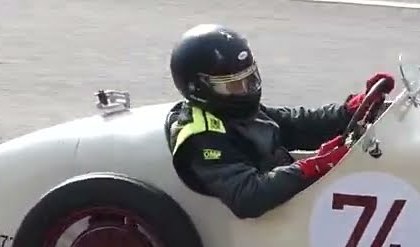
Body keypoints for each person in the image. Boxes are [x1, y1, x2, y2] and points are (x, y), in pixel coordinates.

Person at [165, 23, 394, 219]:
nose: (246, 90)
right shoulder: (201, 137)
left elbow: (296, 123)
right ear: (199, 88)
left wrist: (349, 110)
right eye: (234, 85)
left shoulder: (235, 113)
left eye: (249, 80)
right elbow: (248, 197)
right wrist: (309, 167)